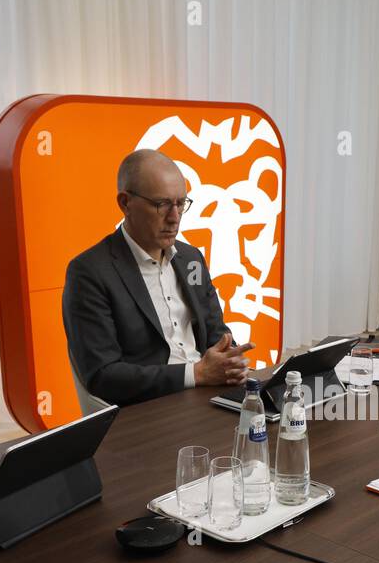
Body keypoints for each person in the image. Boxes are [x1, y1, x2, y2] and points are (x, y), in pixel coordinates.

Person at [62, 148, 252, 406]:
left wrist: (230, 360)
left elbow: (215, 331)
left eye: (181, 203)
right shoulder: (90, 272)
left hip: (207, 395)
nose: (174, 218)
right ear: (125, 203)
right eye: (161, 204)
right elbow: (102, 375)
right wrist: (195, 374)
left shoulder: (191, 259)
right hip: (150, 407)